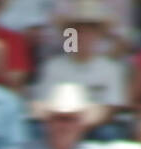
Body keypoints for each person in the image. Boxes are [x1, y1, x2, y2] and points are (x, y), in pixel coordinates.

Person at [33, 1, 127, 140]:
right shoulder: (53, 67)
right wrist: (66, 124)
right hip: (59, 124)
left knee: (110, 132)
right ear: (69, 36)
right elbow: (42, 104)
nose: (83, 37)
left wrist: (80, 124)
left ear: (99, 36)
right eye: (78, 32)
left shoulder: (111, 69)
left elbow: (110, 109)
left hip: (95, 126)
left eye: (89, 32)